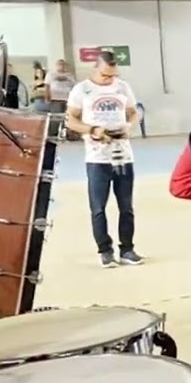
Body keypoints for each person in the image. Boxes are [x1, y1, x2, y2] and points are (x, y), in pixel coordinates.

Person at [65, 51, 143, 268]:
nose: (110, 79)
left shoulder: (122, 87)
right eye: (106, 75)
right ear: (95, 68)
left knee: (126, 206)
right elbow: (71, 120)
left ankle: (127, 249)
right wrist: (92, 130)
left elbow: (135, 113)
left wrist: (129, 125)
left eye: (113, 75)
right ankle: (105, 251)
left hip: (123, 156)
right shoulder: (82, 90)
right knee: (98, 207)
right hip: (97, 158)